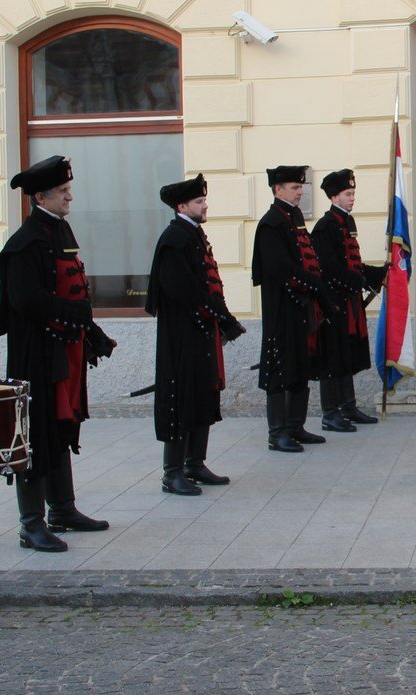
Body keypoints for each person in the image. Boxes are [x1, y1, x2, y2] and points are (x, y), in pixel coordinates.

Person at [0, 156, 116, 553]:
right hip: (37, 355)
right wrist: (77, 316)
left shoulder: (59, 229)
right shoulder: (25, 243)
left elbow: (70, 289)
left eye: (69, 190)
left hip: (63, 350)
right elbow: (27, 300)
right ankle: (31, 523)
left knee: (62, 427)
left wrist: (91, 332)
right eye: (64, 193)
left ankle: (62, 509)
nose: (70, 198)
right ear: (40, 196)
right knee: (36, 434)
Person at [147, 174, 246, 496]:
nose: (205, 205)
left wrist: (220, 316)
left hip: (202, 329)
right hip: (183, 333)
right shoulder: (175, 238)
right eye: (199, 201)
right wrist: (218, 315)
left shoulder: (193, 234)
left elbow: (208, 284)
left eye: (204, 200)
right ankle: (172, 472)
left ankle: (195, 463)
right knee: (181, 395)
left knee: (203, 392)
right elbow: (183, 290)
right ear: (182, 206)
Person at [252, 165, 335, 453]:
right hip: (282, 308)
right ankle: (277, 433)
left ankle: (296, 426)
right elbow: (280, 269)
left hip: (301, 307)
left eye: (301, 187)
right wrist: (314, 285)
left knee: (301, 365)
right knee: (279, 369)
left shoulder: (293, 217)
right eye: (295, 187)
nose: (301, 191)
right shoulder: (271, 222)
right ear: (278, 190)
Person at [311, 168, 387, 433]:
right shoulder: (326, 226)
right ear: (334, 197)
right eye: (348, 193)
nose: (352, 198)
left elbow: (351, 263)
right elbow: (329, 268)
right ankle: (330, 413)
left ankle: (348, 407)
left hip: (348, 301)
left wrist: (377, 273)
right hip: (333, 302)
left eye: (353, 193)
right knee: (332, 357)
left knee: (346, 354)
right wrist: (359, 281)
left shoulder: (346, 222)